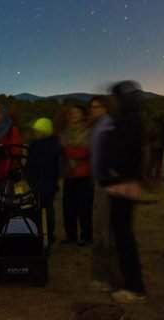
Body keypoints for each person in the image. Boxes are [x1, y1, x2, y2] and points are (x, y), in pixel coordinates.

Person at [99, 81, 147, 304]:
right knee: (120, 235)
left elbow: (126, 153)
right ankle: (126, 281)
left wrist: (116, 174)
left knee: (124, 236)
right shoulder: (129, 120)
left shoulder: (129, 122)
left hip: (123, 185)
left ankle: (134, 287)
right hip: (121, 183)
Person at [88, 95, 120, 293]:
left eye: (96, 106)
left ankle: (109, 277)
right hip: (101, 182)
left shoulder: (108, 126)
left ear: (106, 108)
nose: (93, 110)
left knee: (105, 230)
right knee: (101, 229)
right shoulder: (99, 126)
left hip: (107, 184)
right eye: (91, 107)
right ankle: (102, 275)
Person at [25, 118, 63, 244]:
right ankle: (43, 233)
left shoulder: (49, 146)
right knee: (42, 209)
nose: (35, 132)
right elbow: (30, 164)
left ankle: (47, 234)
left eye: (37, 130)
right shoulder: (37, 144)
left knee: (45, 209)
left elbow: (53, 166)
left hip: (45, 183)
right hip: (40, 183)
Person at [59, 105, 94, 246]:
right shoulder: (64, 133)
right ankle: (71, 236)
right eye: (71, 112)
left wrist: (70, 152)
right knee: (68, 208)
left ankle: (86, 236)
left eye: (77, 113)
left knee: (84, 208)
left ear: (83, 115)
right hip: (69, 175)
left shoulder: (88, 132)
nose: (73, 115)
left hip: (85, 175)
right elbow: (61, 152)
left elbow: (86, 152)